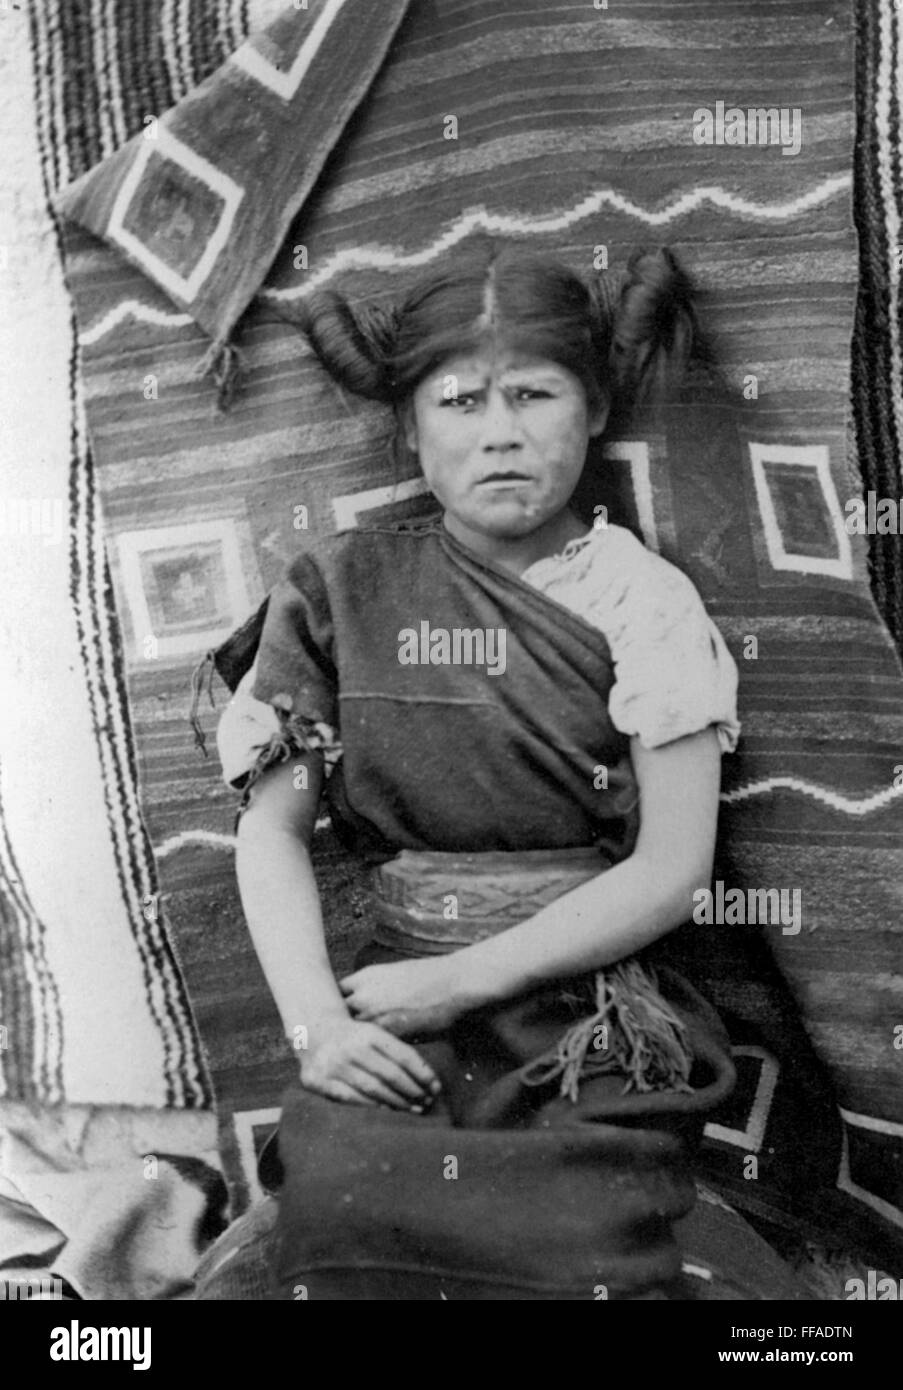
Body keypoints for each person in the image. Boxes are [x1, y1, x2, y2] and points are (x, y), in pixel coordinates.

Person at [204, 242, 779, 1301]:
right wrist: (319, 1025)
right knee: (340, 1215)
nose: (500, 430)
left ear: (595, 409)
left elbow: (674, 865)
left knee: (576, 1244)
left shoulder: (640, 602)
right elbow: (273, 829)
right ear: (407, 427)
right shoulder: (338, 593)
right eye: (461, 400)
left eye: (534, 393)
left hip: (591, 1018)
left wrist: (464, 978)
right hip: (388, 1005)